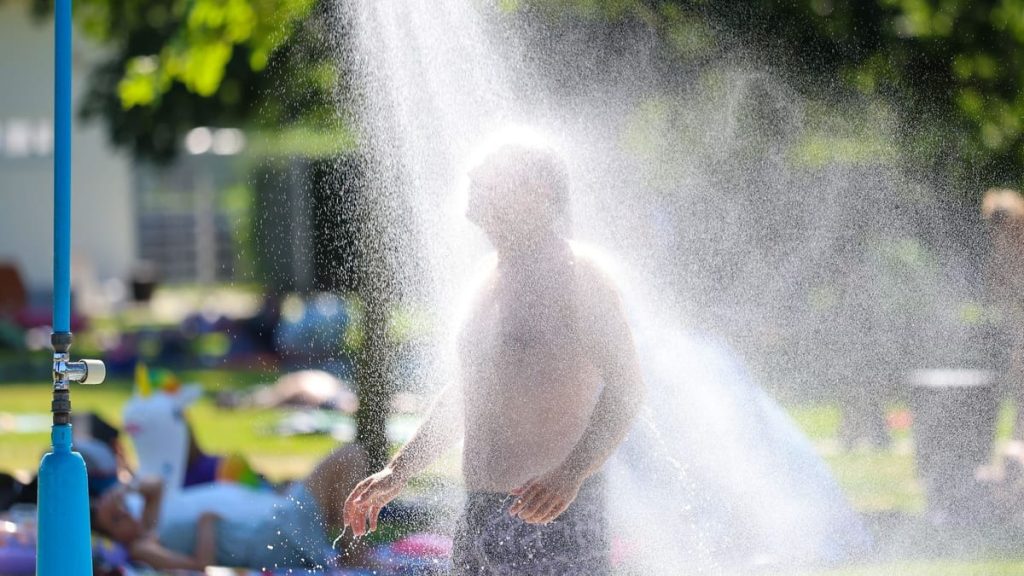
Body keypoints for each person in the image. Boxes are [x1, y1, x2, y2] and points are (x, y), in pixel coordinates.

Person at [342, 141, 646, 574]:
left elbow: (627, 388)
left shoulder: (580, 277)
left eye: (487, 184)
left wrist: (570, 475)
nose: (472, 198)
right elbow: (469, 392)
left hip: (555, 515)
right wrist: (399, 469)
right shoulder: (484, 279)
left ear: (536, 191)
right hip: (480, 515)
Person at [92, 444, 366, 571]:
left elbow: (155, 485)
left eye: (121, 508)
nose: (126, 512)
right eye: (117, 519)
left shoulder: (149, 521)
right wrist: (206, 526)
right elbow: (199, 566)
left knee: (349, 466)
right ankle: (354, 554)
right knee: (349, 457)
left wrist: (122, 491)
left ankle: (350, 550)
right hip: (272, 535)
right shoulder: (142, 546)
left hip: (274, 521)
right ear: (114, 537)